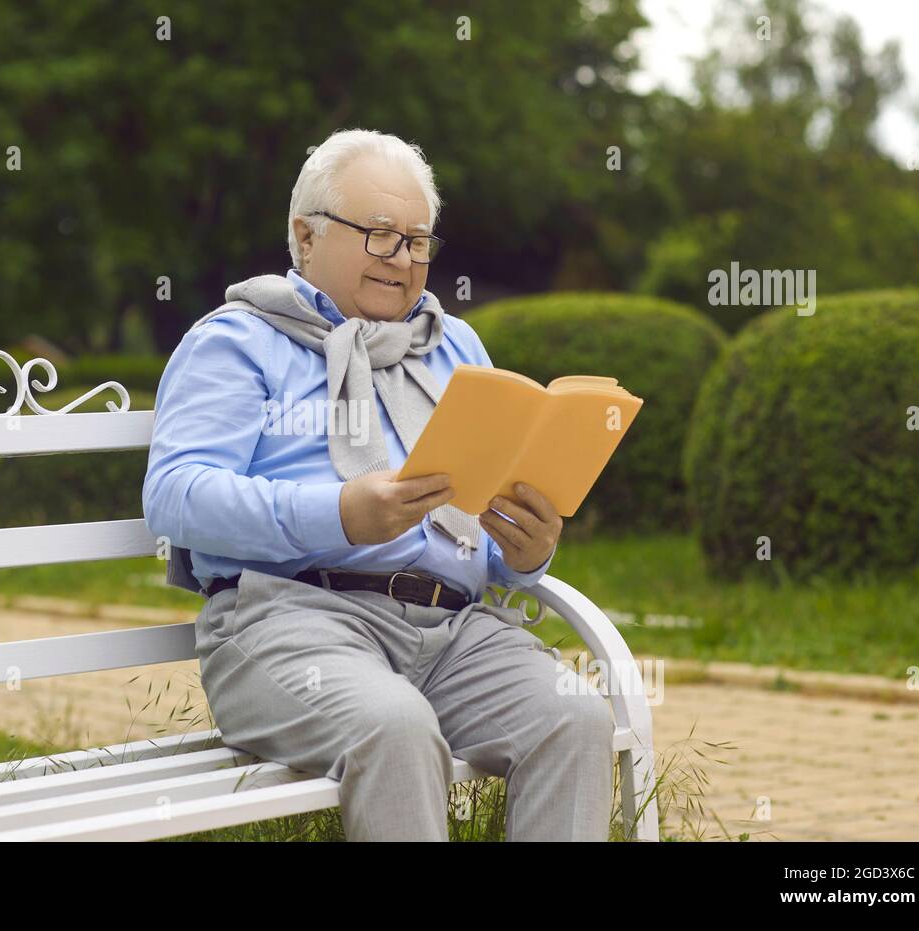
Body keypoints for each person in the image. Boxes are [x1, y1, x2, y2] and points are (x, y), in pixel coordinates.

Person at [143, 128, 614, 841]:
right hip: (288, 623)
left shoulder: (454, 346)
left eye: (418, 241)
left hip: (451, 630)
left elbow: (478, 532)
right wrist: (339, 515)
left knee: (575, 717)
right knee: (396, 727)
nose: (402, 259)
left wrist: (526, 551)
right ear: (306, 236)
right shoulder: (236, 341)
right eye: (379, 235)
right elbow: (177, 495)